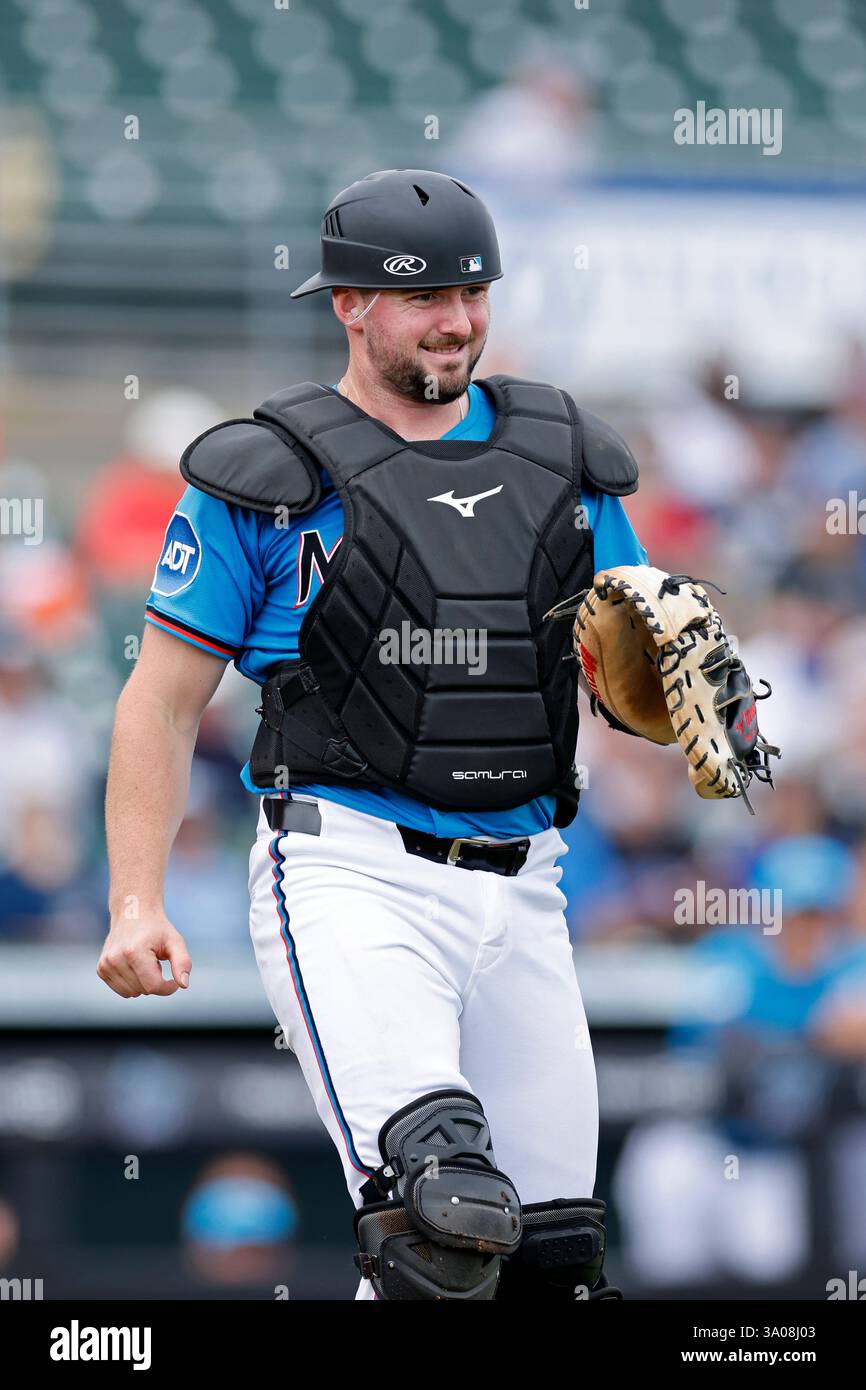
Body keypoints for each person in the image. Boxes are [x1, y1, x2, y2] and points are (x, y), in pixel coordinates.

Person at [98, 169, 648, 1301]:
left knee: (550, 1263)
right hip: (352, 869)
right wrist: (134, 897)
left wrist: (703, 708)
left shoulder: (562, 452)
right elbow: (158, 699)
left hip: (528, 880)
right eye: (424, 296)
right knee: (440, 1220)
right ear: (348, 304)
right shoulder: (265, 474)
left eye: (470, 290)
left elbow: (631, 664)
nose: (456, 318)